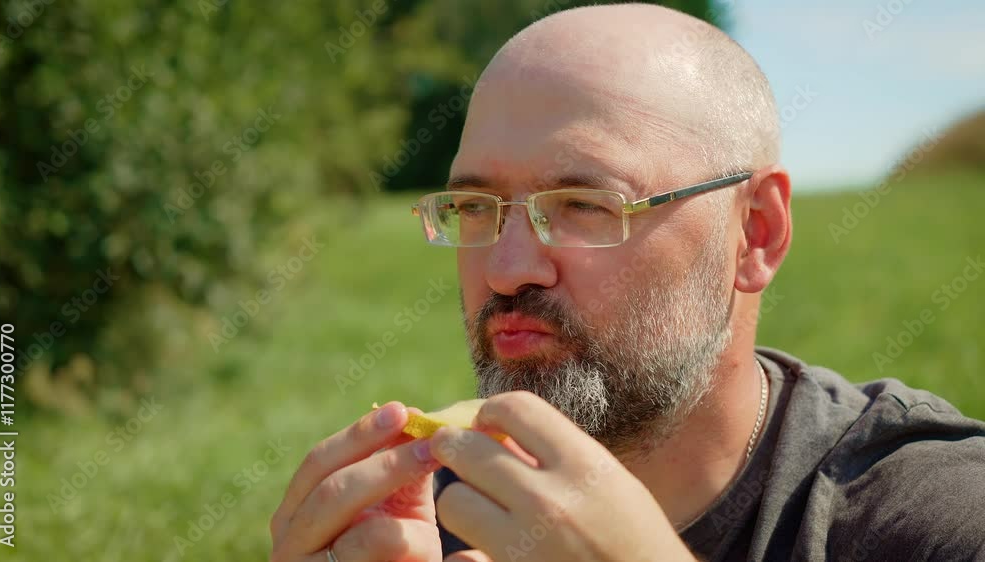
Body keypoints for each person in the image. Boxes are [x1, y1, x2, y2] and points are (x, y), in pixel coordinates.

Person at [269, 4, 985, 561]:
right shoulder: (438, 511)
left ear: (755, 232)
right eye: (475, 209)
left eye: (582, 205)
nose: (507, 268)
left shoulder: (936, 519)